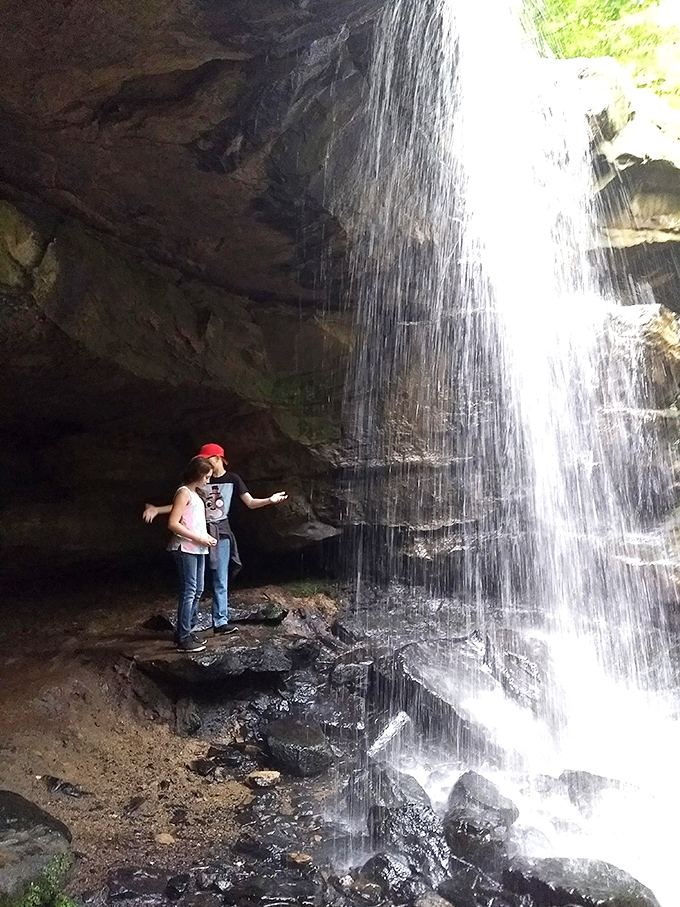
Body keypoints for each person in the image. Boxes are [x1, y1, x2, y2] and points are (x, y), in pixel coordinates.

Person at [144, 443, 287, 635]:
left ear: (218, 458)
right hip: (198, 531)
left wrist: (270, 499)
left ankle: (220, 621)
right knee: (194, 585)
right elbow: (183, 504)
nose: (204, 462)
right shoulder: (200, 479)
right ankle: (190, 625)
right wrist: (157, 509)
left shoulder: (232, 479)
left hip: (221, 530)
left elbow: (250, 502)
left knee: (220, 578)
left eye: (208, 458)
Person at [167, 457, 217, 653]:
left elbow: (194, 522)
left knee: (198, 590)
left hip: (197, 547)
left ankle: (188, 629)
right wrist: (199, 537)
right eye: (207, 477)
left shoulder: (196, 495)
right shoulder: (184, 493)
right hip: (184, 548)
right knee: (189, 591)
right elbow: (173, 523)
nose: (208, 481)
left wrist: (205, 538)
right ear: (198, 475)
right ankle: (183, 636)